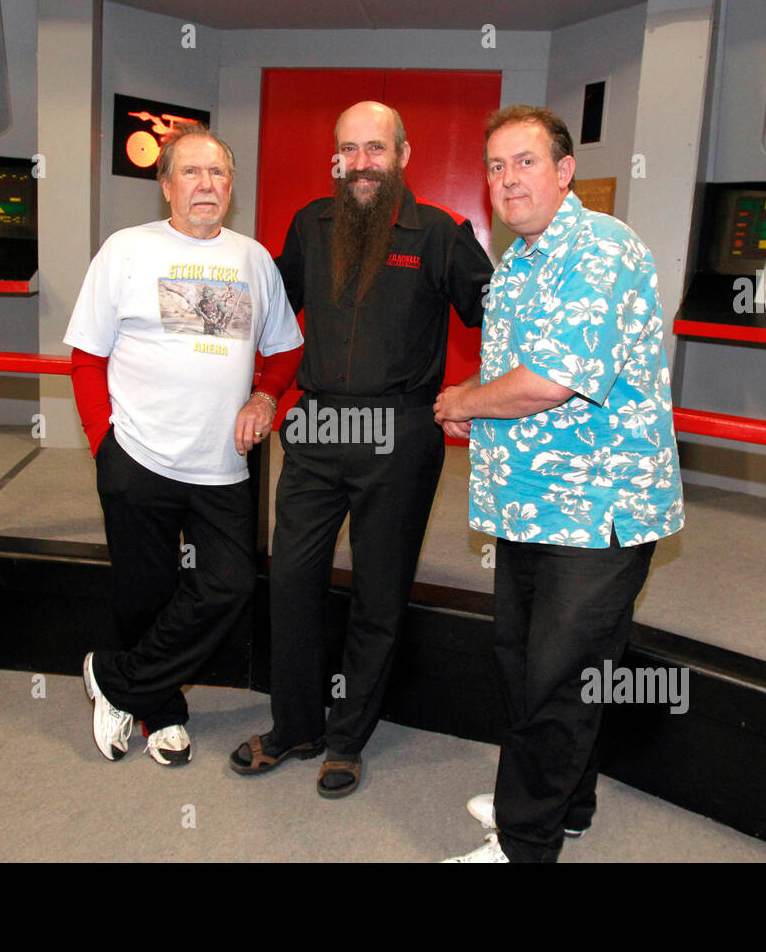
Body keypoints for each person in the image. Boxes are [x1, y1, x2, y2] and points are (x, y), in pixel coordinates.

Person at [436, 106, 684, 861]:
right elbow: (521, 374)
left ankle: (526, 841)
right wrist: (483, 412)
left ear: (564, 170)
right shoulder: (517, 261)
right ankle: (565, 804)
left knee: (557, 681)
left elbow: (549, 381)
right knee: (528, 666)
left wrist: (463, 401)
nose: (509, 179)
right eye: (497, 166)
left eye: (526, 161)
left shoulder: (599, 249)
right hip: (530, 506)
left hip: (598, 513)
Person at [229, 101, 495, 797]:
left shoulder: (440, 233)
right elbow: (268, 312)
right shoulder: (310, 226)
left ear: (403, 155)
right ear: (337, 160)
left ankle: (347, 739)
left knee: (379, 595)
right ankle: (295, 727)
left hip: (399, 434)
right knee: (291, 582)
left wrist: (479, 392)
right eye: (350, 150)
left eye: (376, 148)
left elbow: (502, 314)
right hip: (317, 427)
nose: (363, 162)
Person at [64, 124, 303, 767]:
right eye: (191, 173)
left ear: (232, 186)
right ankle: (163, 713)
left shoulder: (253, 258)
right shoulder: (125, 250)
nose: (206, 185)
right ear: (166, 184)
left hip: (223, 465)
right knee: (145, 592)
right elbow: (87, 358)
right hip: (137, 455)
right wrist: (102, 446)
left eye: (218, 173)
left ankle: (115, 680)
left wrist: (265, 397)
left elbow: (285, 349)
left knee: (229, 586)